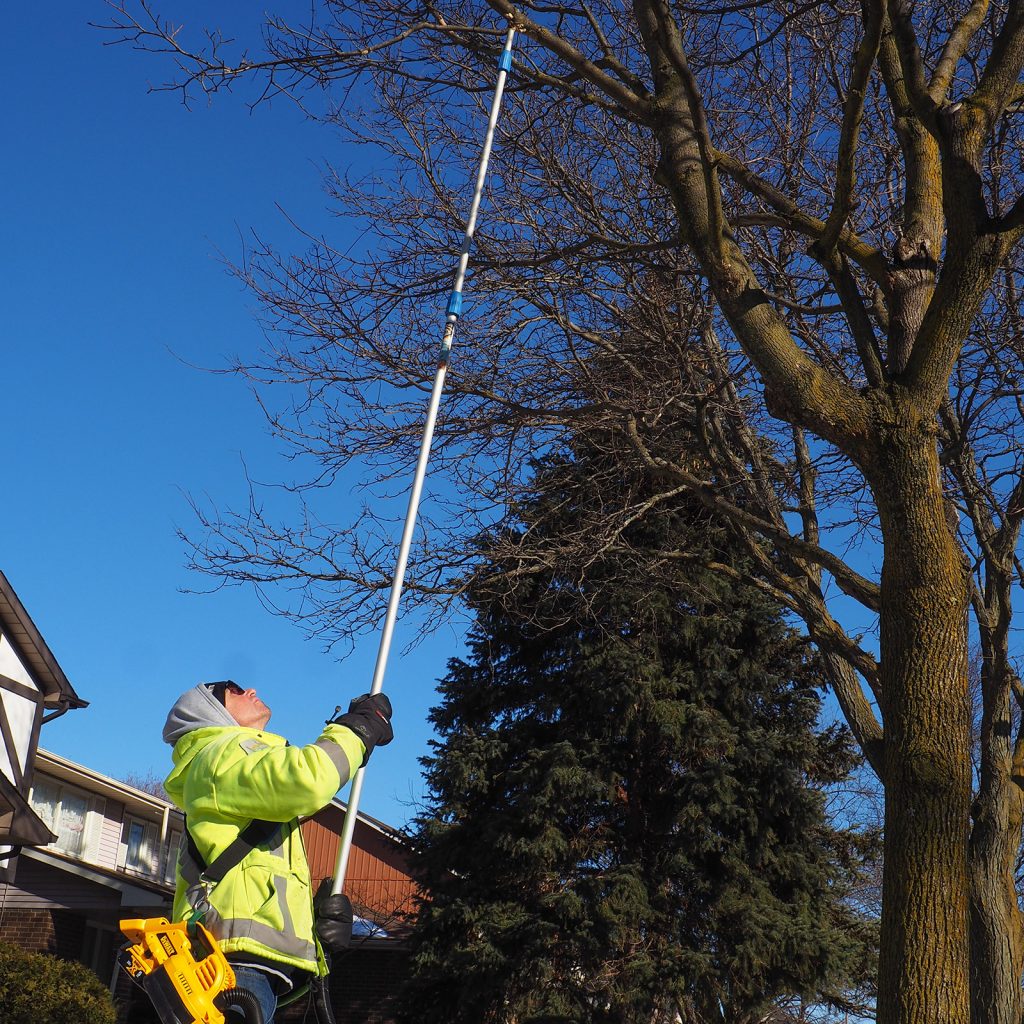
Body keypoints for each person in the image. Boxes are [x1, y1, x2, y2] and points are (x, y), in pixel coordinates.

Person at [162, 680, 393, 1024]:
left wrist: (315, 932)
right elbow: (308, 779)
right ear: (210, 713)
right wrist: (356, 730)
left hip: (238, 966)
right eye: (234, 689)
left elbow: (250, 877)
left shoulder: (229, 775)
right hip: (230, 966)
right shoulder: (220, 752)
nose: (251, 690)